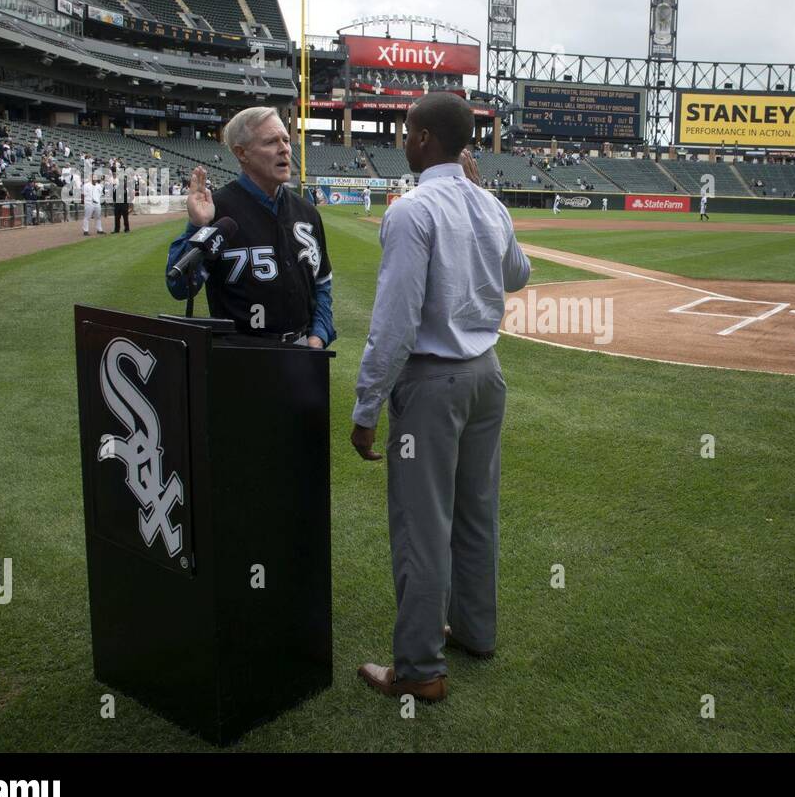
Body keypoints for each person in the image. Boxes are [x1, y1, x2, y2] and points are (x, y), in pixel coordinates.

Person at [350, 92, 530, 702]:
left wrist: (366, 407)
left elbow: (395, 323)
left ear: (425, 139)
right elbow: (518, 274)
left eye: (408, 130)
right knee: (476, 512)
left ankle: (420, 670)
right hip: (486, 375)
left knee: (423, 526)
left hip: (431, 382)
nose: (404, 138)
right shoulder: (490, 204)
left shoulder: (411, 210)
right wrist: (483, 204)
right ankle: (476, 632)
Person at [164, 107, 334, 350]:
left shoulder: (307, 213)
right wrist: (197, 226)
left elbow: (323, 284)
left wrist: (318, 336)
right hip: (241, 357)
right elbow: (179, 287)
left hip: (304, 353)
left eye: (285, 139)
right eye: (271, 142)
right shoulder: (218, 211)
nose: (285, 148)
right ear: (242, 153)